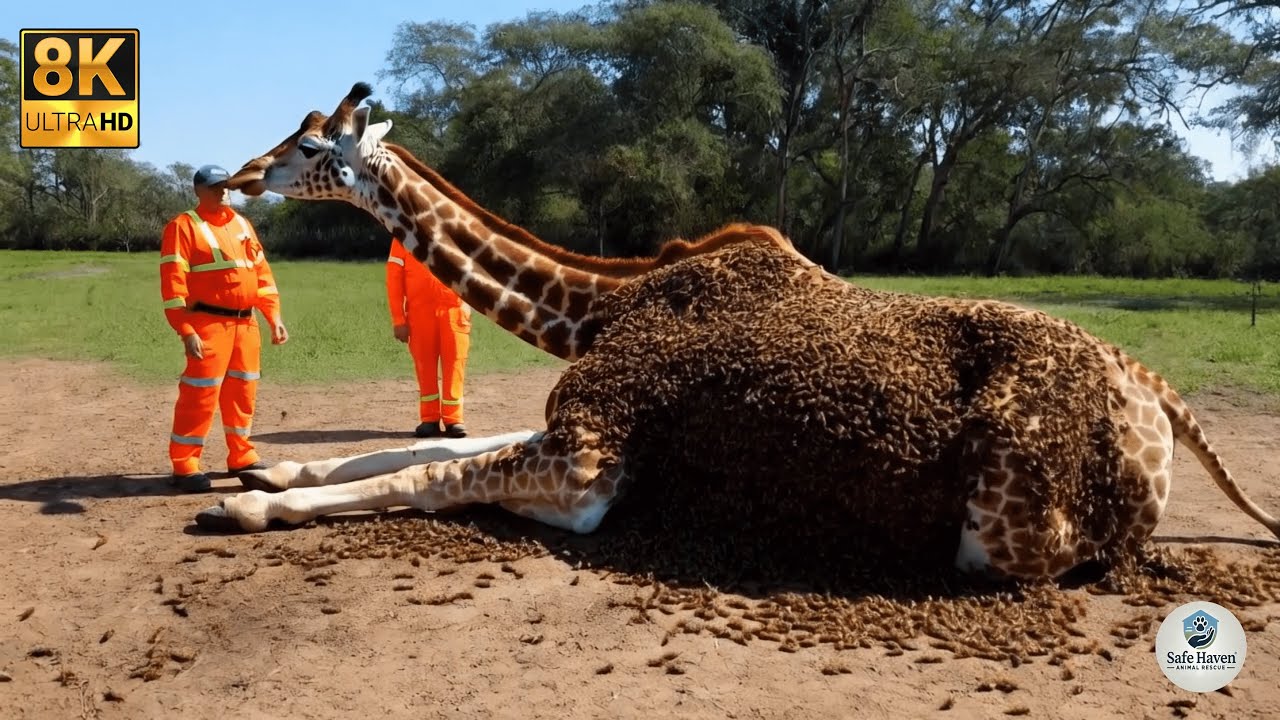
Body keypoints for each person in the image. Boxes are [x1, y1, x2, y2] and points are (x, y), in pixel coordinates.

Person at [158, 164, 289, 492]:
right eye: (216, 187)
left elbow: (262, 276)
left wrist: (273, 316)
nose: (223, 191)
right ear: (198, 191)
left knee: (243, 392)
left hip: (247, 324)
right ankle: (186, 463)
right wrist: (186, 329)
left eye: (226, 186)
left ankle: (242, 455)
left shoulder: (243, 224)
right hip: (208, 324)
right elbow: (173, 286)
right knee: (199, 395)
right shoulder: (183, 226)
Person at [386, 237, 472, 439]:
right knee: (425, 367)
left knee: (455, 365)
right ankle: (430, 419)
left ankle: (454, 420)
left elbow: (474, 273)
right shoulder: (402, 239)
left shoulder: (456, 234)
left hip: (454, 311)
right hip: (419, 315)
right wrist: (399, 320)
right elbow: (394, 279)